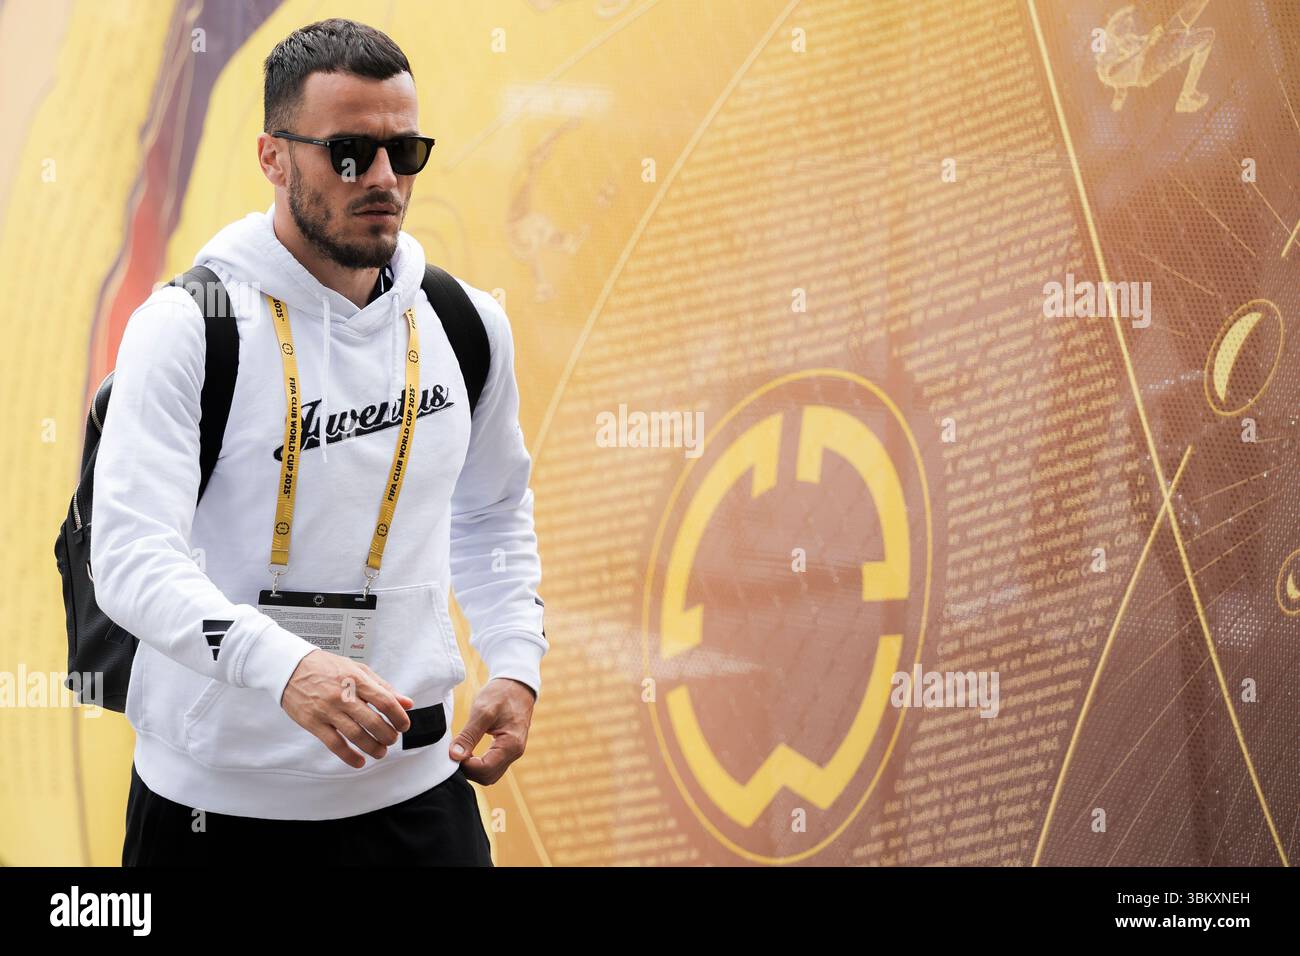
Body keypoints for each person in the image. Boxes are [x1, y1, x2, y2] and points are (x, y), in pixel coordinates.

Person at [92, 18, 548, 866]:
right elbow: (128, 559)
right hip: (210, 810)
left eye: (403, 152)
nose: (382, 179)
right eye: (348, 153)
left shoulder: (464, 323)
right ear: (273, 157)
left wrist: (516, 661)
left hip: (419, 798)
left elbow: (492, 513)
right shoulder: (186, 328)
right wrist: (288, 668)